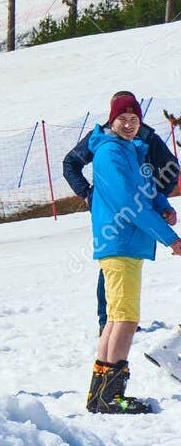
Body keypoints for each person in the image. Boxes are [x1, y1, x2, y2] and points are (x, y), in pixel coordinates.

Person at [85, 92, 181, 414]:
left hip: (128, 244)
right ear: (111, 121)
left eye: (134, 119)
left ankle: (99, 393)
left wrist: (165, 208)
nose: (128, 124)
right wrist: (170, 239)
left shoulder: (132, 151)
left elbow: (147, 191)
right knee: (126, 319)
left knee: (116, 318)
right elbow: (128, 203)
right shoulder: (109, 154)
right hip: (120, 243)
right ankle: (111, 396)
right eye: (122, 119)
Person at [63, 90, 181, 331]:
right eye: (120, 114)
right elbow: (70, 163)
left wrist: (158, 202)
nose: (128, 122)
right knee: (114, 258)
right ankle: (108, 320)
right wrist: (87, 193)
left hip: (140, 208)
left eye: (133, 116)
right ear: (112, 113)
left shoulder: (144, 134)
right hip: (112, 206)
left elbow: (171, 166)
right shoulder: (104, 138)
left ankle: (118, 322)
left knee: (126, 260)